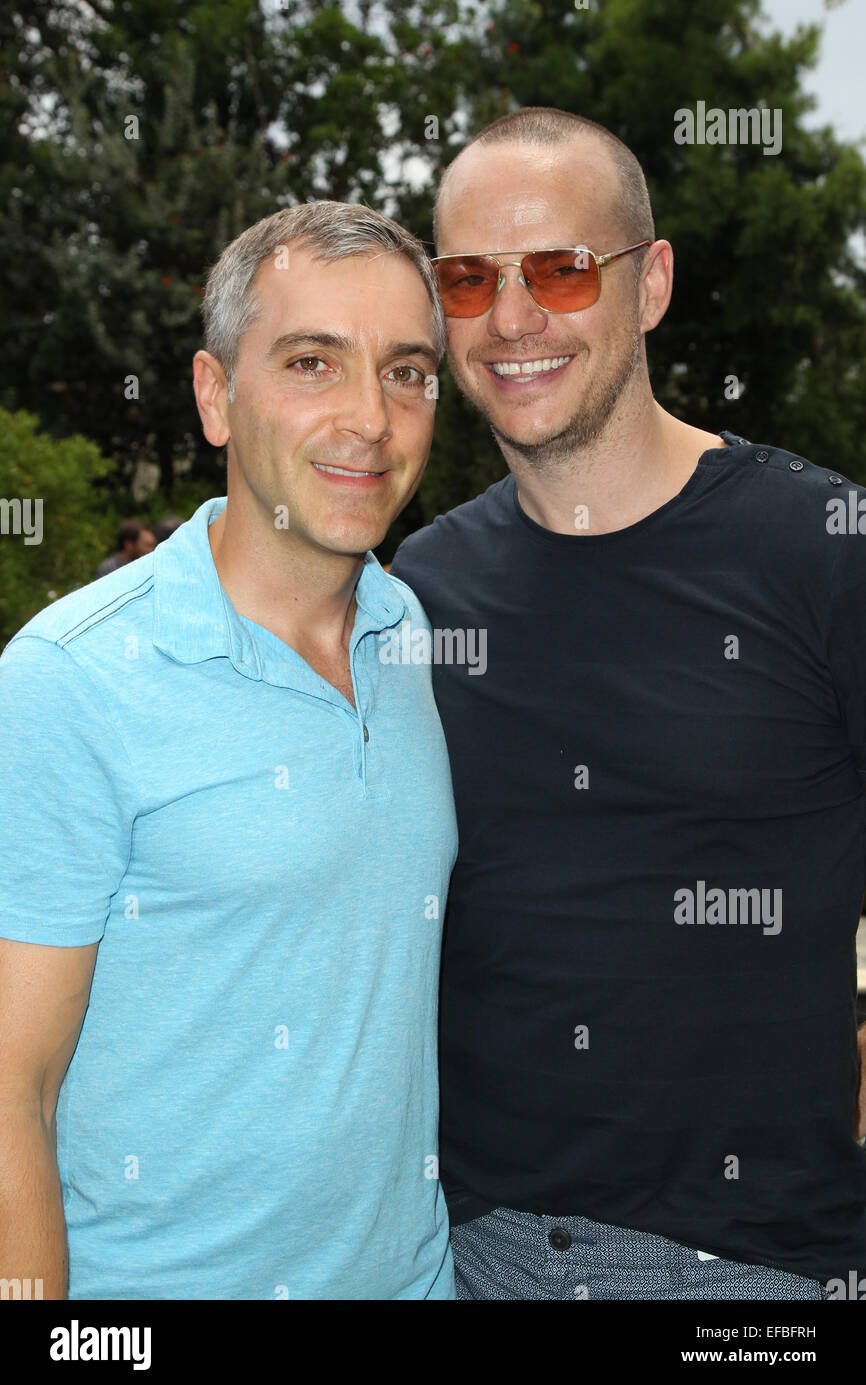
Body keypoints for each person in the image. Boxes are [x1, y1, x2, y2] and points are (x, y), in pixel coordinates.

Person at [390, 106, 866, 1301]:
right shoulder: (416, 594)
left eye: (559, 268)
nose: (510, 320)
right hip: (465, 1252)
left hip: (751, 1271)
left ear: (647, 283)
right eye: (467, 278)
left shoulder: (821, 548)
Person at [0, 201, 456, 1300]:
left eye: (406, 373)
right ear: (215, 396)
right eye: (312, 362)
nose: (369, 420)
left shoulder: (413, 636)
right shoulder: (69, 680)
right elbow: (14, 1087)